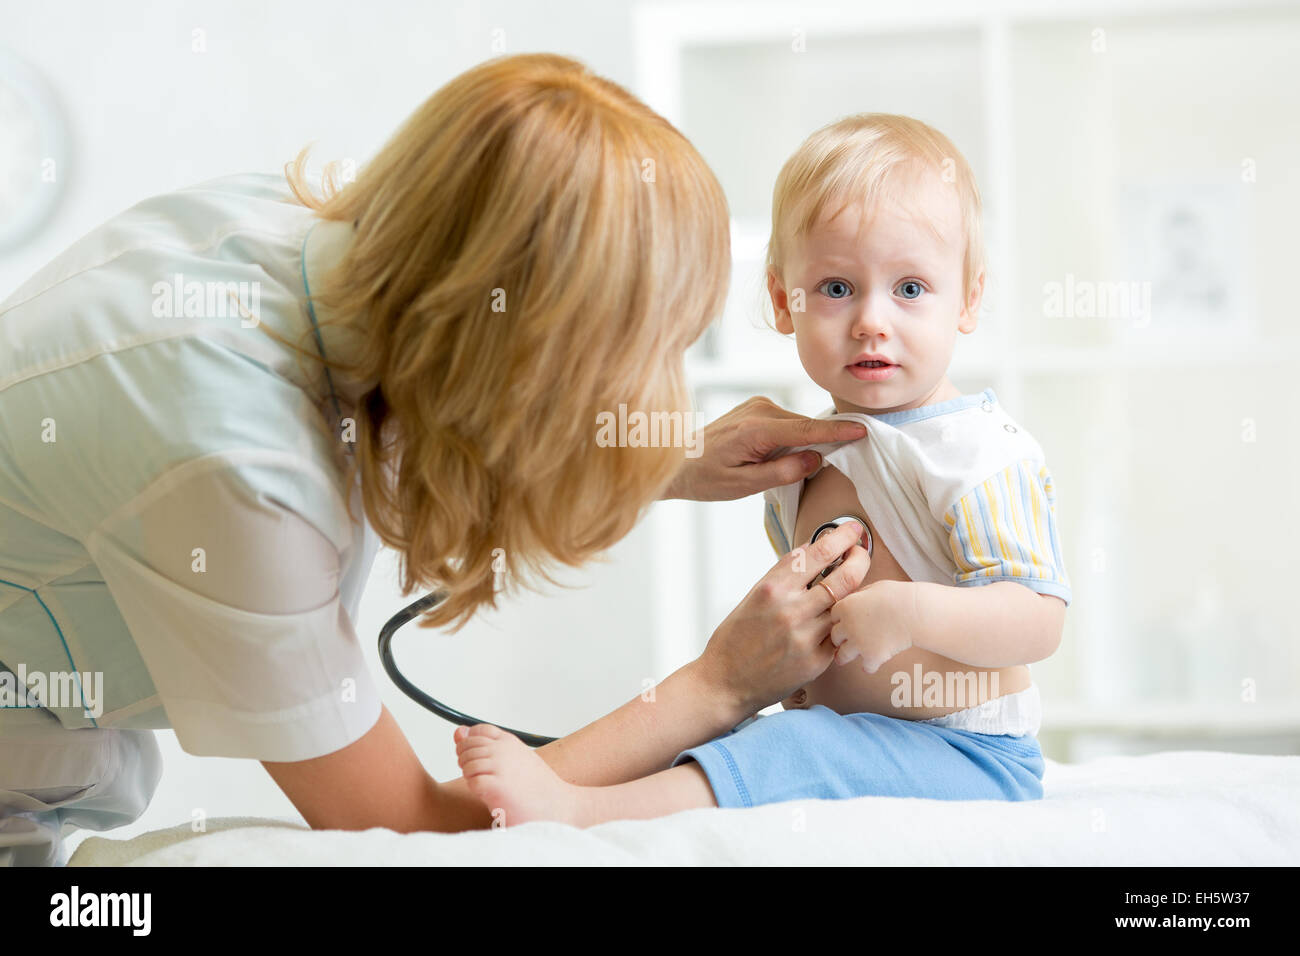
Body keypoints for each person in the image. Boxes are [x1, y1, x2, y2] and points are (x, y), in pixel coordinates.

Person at [0, 53, 871, 865]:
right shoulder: (232, 461)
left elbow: (449, 383)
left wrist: (657, 457)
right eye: (650, 352)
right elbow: (409, 827)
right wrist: (715, 688)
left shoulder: (346, 236)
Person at [451, 113, 1072, 826]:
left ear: (967, 299)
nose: (872, 320)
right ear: (784, 301)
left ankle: (576, 812)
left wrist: (912, 612)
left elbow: (1038, 620)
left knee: (792, 746)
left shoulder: (979, 451)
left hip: (969, 755)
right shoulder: (804, 458)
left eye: (910, 289)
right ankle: (589, 794)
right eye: (837, 289)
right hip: (861, 737)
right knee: (756, 739)